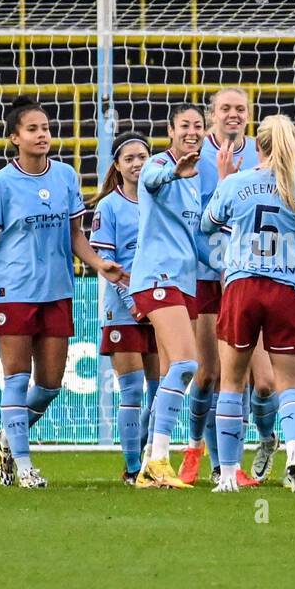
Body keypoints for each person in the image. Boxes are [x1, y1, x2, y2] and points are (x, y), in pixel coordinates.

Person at [0, 96, 126, 488]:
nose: (43, 135)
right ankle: (24, 466)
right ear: (14, 138)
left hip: (57, 290)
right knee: (16, 378)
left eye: (46, 128)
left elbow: (75, 235)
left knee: (51, 384)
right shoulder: (2, 184)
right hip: (14, 290)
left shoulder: (65, 177)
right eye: (33, 129)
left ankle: (7, 436)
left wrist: (98, 265)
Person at [202, 114, 295, 493]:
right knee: (290, 386)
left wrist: (223, 182)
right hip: (288, 291)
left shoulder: (237, 184)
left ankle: (230, 473)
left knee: (233, 383)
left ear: (258, 145)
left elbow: (207, 225)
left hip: (244, 288)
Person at [179, 87, 268, 486]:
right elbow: (195, 221)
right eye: (225, 108)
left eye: (240, 109)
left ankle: (227, 464)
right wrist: (216, 262)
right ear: (212, 114)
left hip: (248, 276)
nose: (233, 114)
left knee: (250, 377)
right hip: (205, 275)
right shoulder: (196, 156)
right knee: (208, 375)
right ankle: (194, 447)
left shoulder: (261, 154)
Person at [125, 103, 214, 489]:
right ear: (170, 129)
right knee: (186, 364)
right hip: (156, 276)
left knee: (168, 374)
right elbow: (152, 181)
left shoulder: (196, 178)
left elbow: (196, 240)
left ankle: (149, 464)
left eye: (198, 125)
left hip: (184, 280)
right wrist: (173, 172)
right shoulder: (156, 165)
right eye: (184, 125)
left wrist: (232, 262)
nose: (191, 131)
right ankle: (160, 456)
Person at [90, 131, 161, 484]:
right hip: (125, 310)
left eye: (142, 157)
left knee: (161, 389)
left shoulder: (160, 199)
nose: (137, 164)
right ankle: (132, 468)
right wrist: (134, 303)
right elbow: (106, 261)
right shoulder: (109, 207)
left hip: (160, 306)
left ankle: (151, 457)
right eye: (129, 158)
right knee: (132, 390)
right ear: (117, 166)